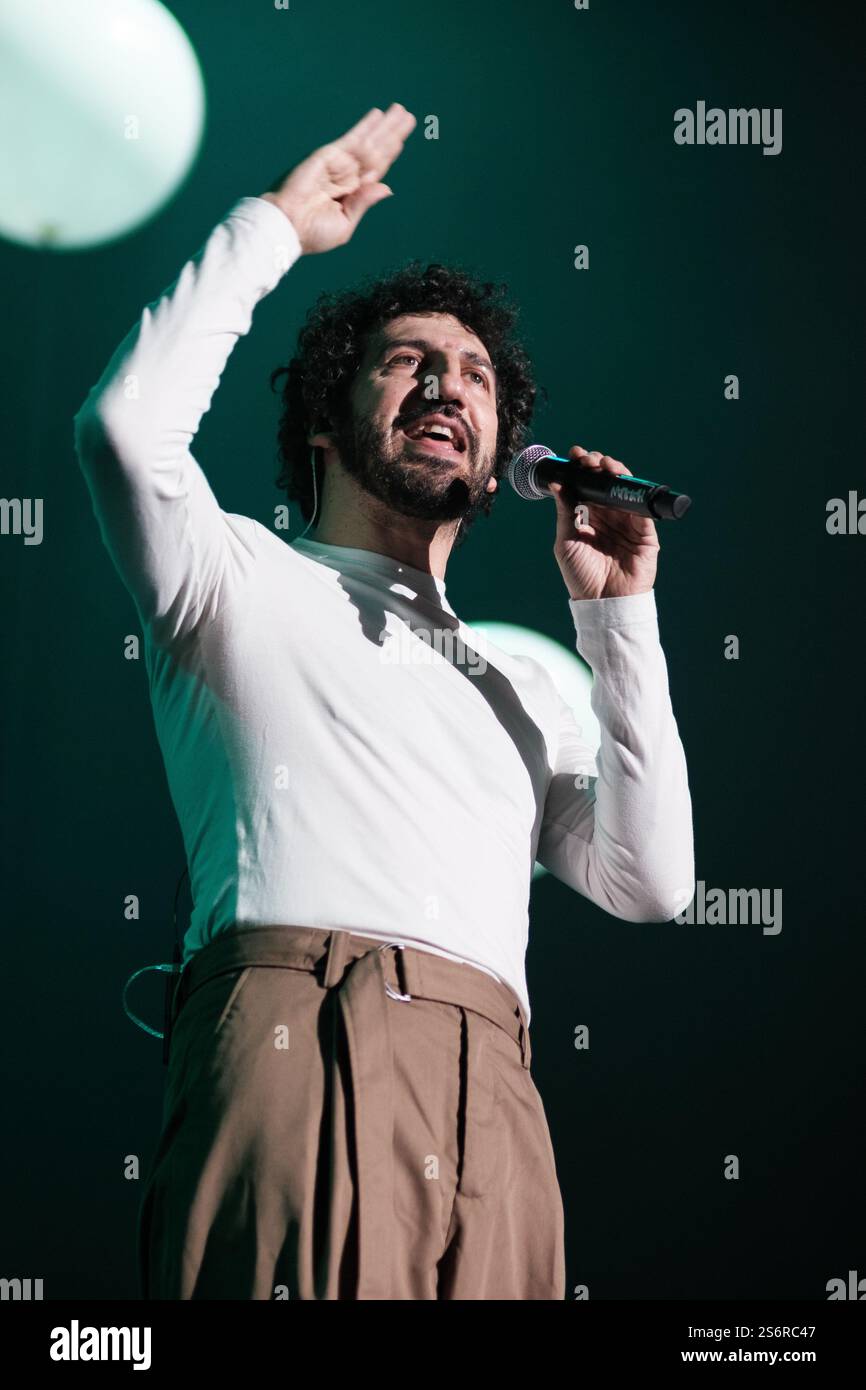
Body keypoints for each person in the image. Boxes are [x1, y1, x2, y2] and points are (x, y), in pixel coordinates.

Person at [73, 103, 694, 1300]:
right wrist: (273, 229)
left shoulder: (518, 686)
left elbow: (652, 880)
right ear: (323, 414)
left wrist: (619, 616)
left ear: (503, 449)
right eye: (405, 360)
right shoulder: (234, 573)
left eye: (471, 374)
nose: (443, 385)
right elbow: (121, 430)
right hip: (298, 1041)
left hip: (497, 1102)